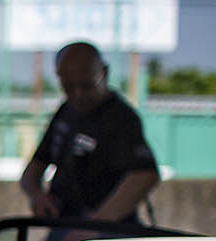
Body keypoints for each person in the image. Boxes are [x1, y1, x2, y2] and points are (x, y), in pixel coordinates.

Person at [20, 41, 160, 224]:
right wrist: (37, 195)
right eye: (69, 87)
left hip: (109, 234)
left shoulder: (121, 118)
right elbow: (33, 170)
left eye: (87, 86)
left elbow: (144, 175)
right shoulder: (65, 113)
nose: (78, 94)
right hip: (63, 226)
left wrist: (96, 224)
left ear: (104, 73)